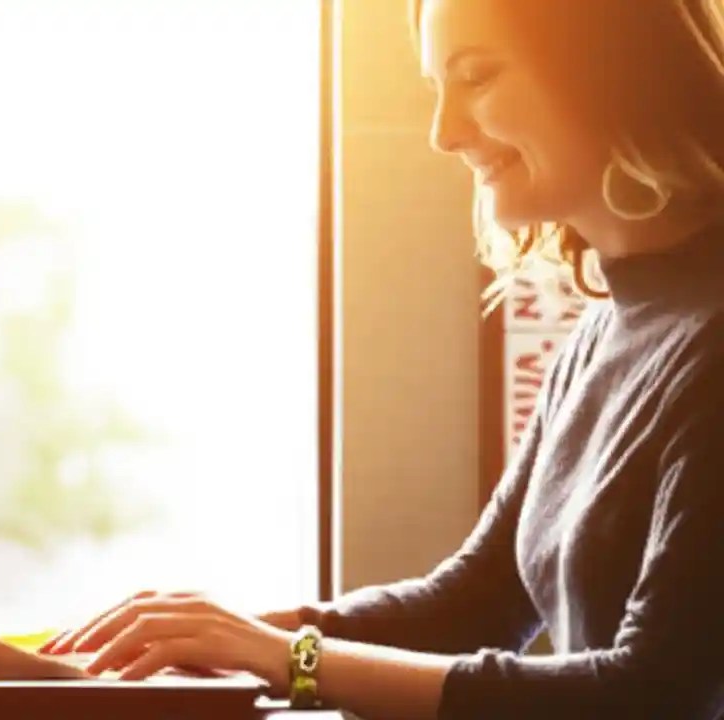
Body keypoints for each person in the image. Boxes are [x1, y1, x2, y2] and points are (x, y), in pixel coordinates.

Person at [40, 0, 724, 718]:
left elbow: (659, 693)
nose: (445, 132)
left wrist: (289, 660)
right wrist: (216, 639)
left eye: (478, 78)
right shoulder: (602, 332)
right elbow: (475, 604)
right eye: (438, 90)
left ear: (614, 72)